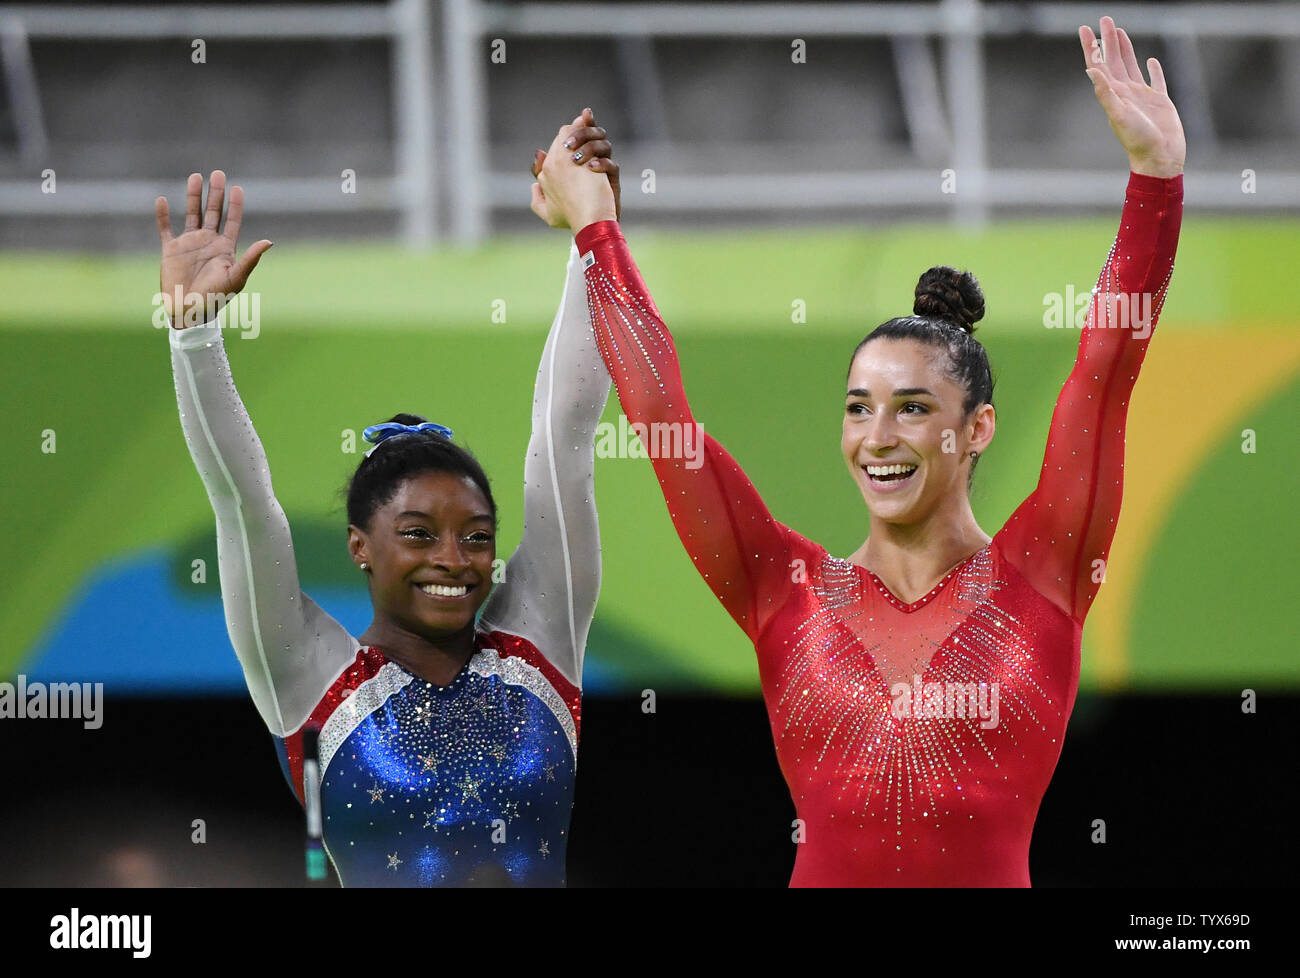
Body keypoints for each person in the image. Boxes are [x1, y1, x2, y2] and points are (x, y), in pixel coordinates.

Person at [534, 18, 1184, 885]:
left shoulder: (1046, 570)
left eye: (912, 408)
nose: (877, 437)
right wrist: (596, 229)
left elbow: (1106, 370)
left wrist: (1155, 180)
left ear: (976, 430)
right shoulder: (782, 591)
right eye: (859, 408)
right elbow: (660, 414)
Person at [159, 111, 619, 886]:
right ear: (359, 546)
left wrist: (595, 236)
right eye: (419, 533)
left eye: (477, 536)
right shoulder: (310, 677)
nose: (455, 559)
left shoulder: (541, 640)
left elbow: (564, 433)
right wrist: (195, 340)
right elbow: (244, 504)